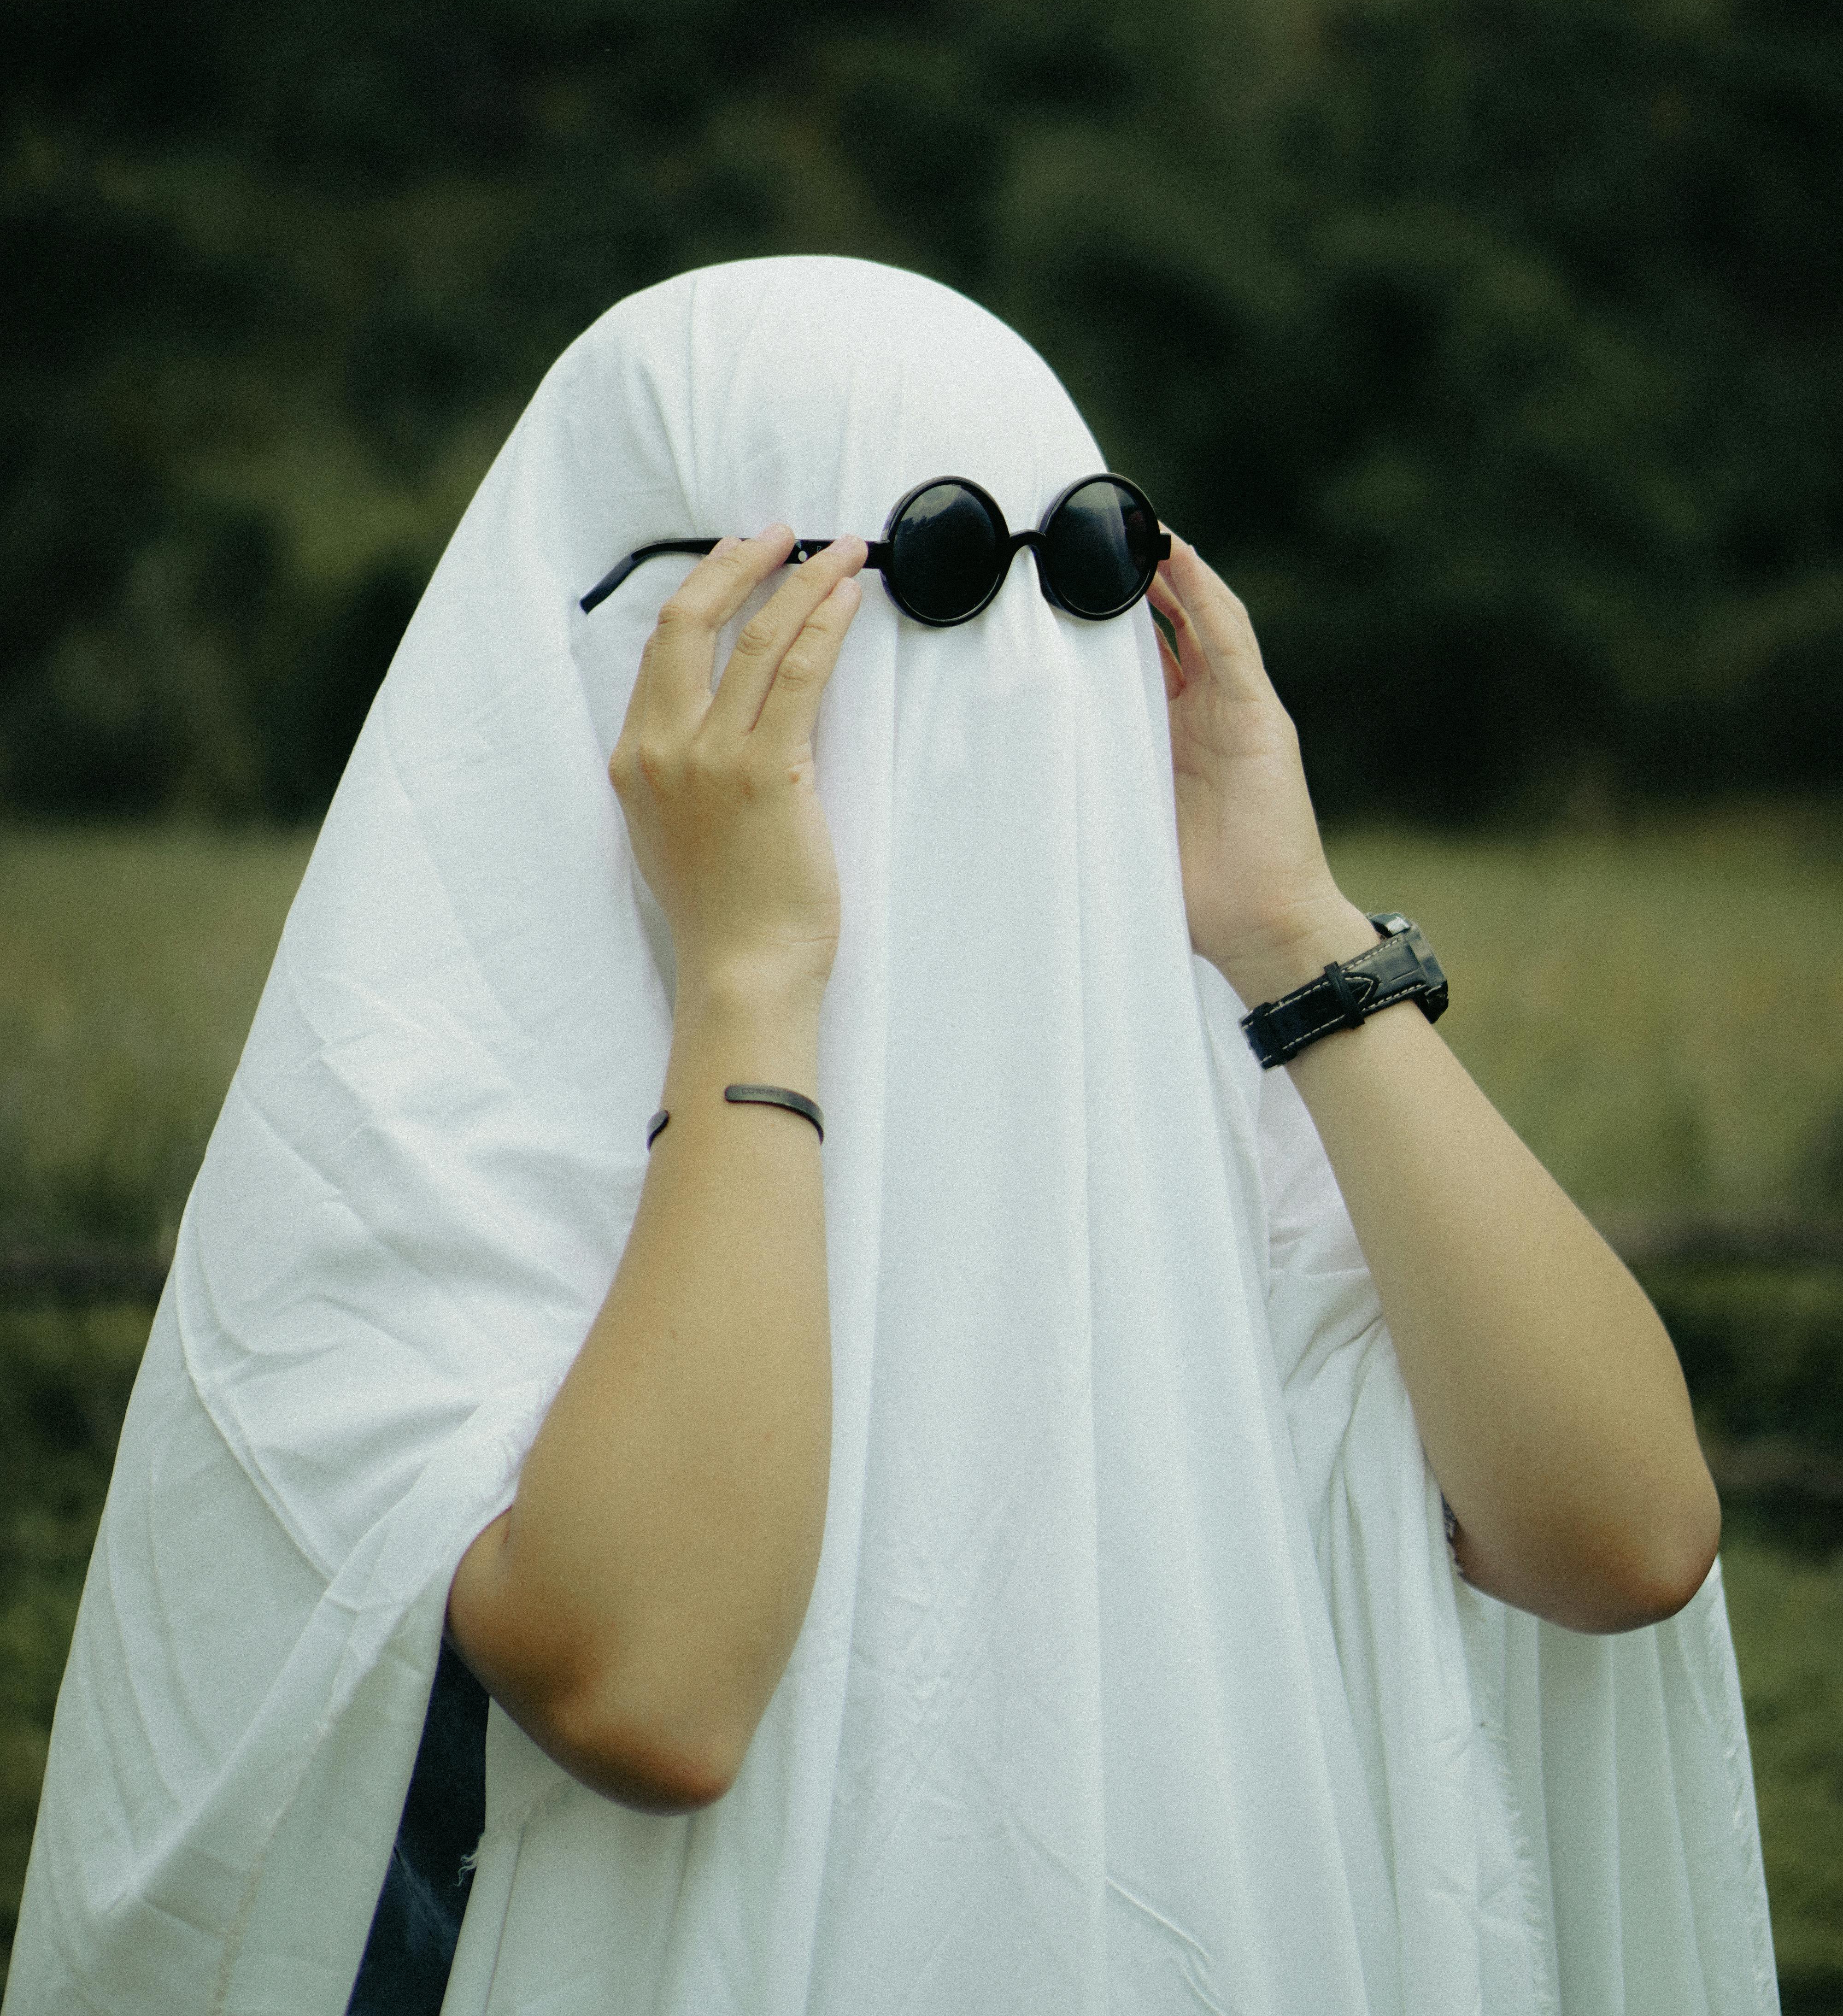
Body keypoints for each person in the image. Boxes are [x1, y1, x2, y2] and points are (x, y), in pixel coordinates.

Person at [9, 257, 1776, 2016]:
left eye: (1076, 570)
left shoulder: (1195, 1057)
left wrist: (1295, 931)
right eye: (909, 581)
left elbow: (1622, 1537)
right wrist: (757, 985)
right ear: (653, 641)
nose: (1001, 661)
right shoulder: (414, 1104)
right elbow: (651, 1686)